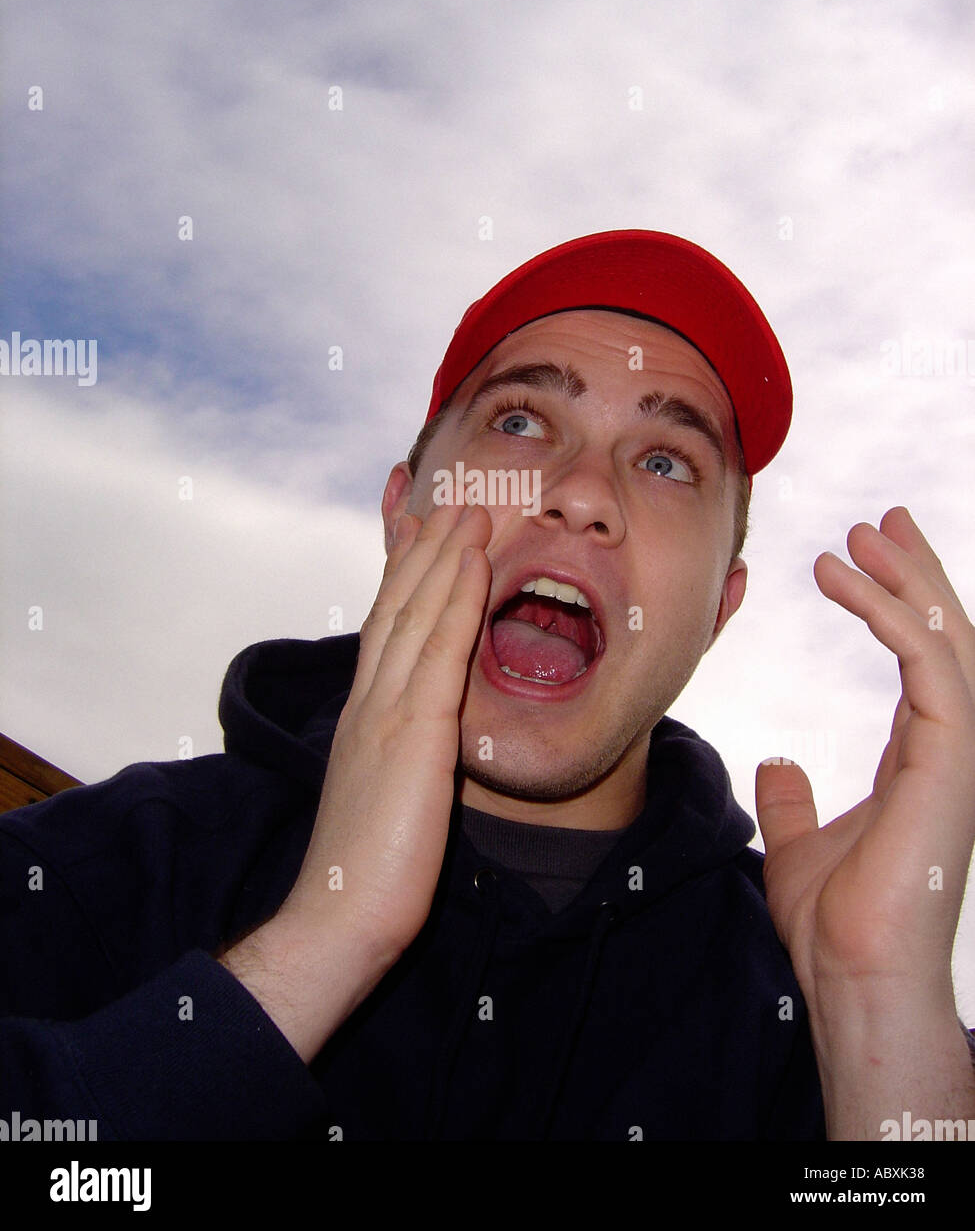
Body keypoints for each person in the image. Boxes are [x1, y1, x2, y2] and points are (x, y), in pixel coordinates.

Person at [1, 230, 973, 1142]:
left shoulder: (804, 1002)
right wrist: (321, 943)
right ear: (401, 511)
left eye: (668, 461)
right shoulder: (108, 868)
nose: (585, 493)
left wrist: (877, 1003)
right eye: (520, 419)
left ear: (720, 605)